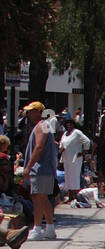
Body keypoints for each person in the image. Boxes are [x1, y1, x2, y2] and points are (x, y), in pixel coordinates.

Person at [20, 101, 59, 239]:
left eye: (31, 111)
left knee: (40, 197)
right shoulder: (43, 125)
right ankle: (48, 227)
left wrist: (28, 167)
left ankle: (38, 228)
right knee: (39, 197)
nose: (28, 114)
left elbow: (39, 147)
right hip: (42, 168)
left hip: (41, 168)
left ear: (38, 111)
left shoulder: (42, 125)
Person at [58, 117, 92, 203]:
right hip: (66, 158)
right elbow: (61, 144)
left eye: (71, 124)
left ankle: (75, 197)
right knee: (68, 178)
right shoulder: (65, 133)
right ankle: (69, 197)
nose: (69, 126)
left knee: (74, 178)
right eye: (67, 124)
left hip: (75, 159)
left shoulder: (77, 132)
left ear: (73, 125)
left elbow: (87, 141)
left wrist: (83, 152)